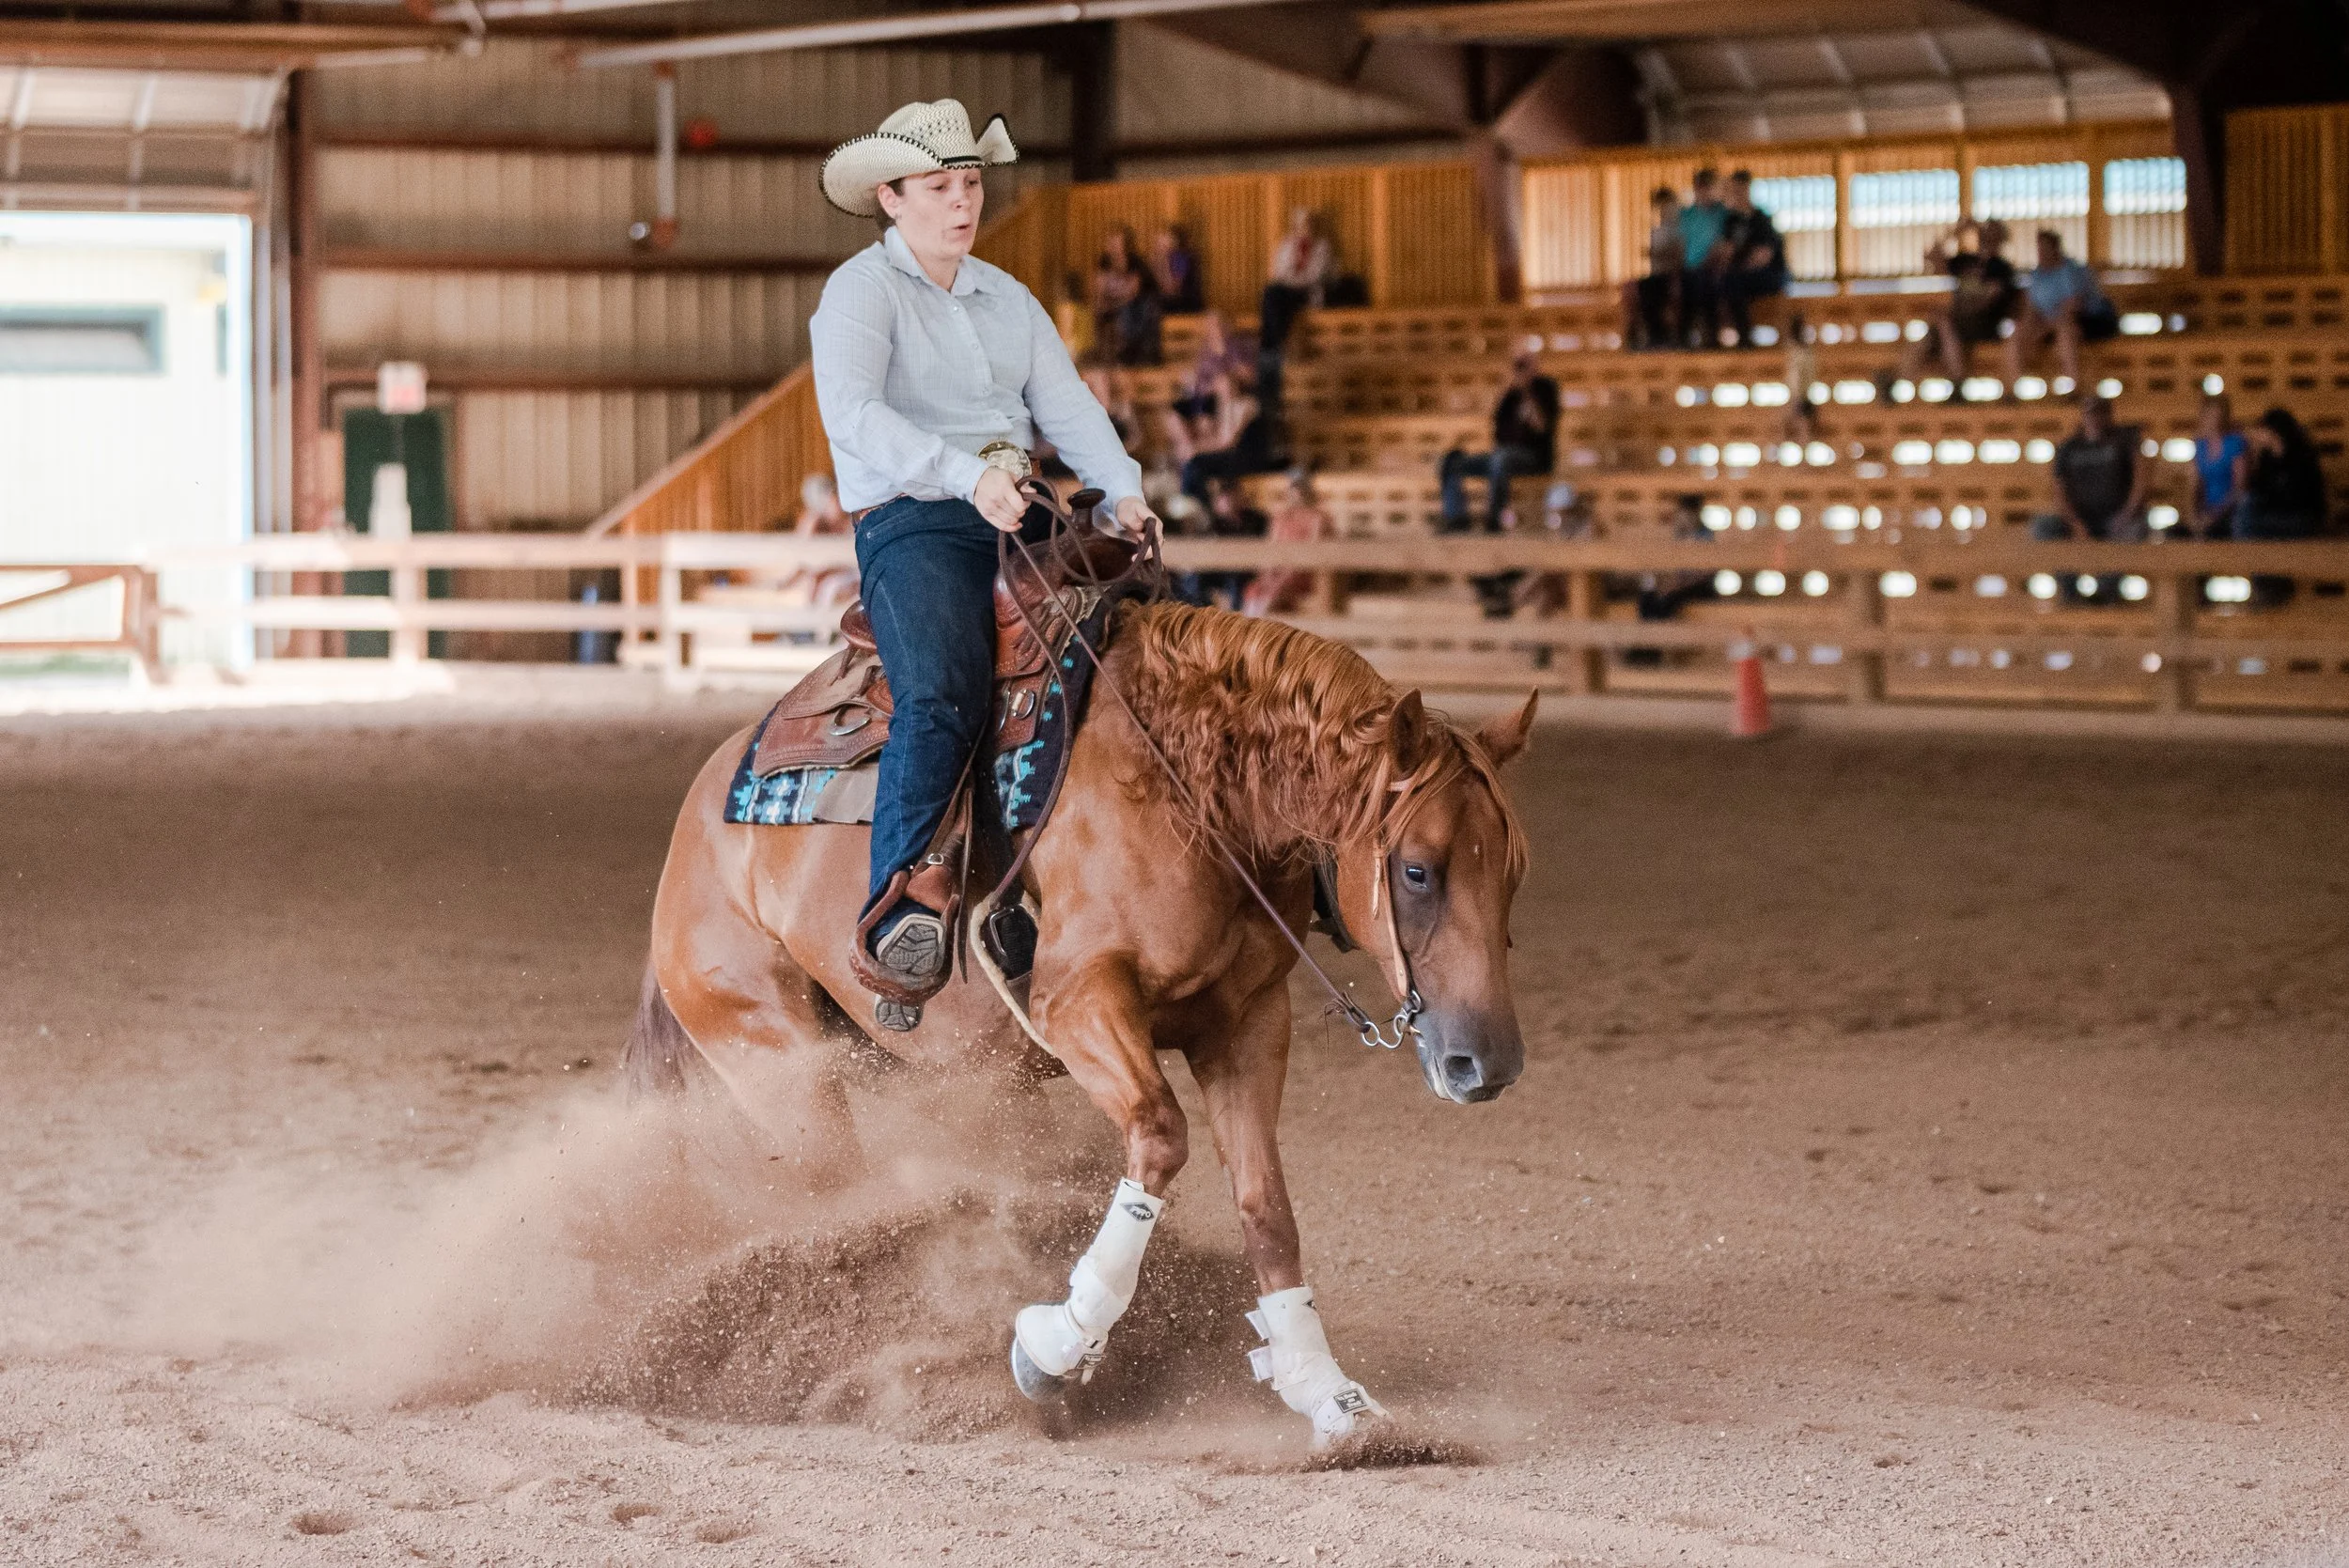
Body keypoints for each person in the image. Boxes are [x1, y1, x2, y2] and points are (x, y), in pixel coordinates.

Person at [810, 98, 1157, 1023]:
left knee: (1150, 642)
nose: (962, 201)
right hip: (914, 523)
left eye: (970, 183)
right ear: (891, 198)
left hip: (1022, 516)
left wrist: (1121, 486)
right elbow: (855, 418)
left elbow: (1068, 405)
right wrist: (964, 477)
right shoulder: (860, 293)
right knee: (946, 686)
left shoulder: (1009, 297)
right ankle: (897, 909)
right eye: (939, 186)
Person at [1438, 349, 1559, 534]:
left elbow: (1542, 426)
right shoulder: (1508, 392)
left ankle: (1494, 520)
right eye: (1518, 363)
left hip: (1535, 458)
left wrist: (1527, 391)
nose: (1520, 368)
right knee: (1452, 461)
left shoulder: (1546, 387)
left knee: (1500, 459)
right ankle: (1457, 519)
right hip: (1502, 456)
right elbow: (1492, 418)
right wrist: (1507, 387)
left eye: (1525, 363)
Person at [2033, 396, 2147, 588]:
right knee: (2043, 527)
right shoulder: (2069, 447)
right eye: (2090, 414)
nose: (2095, 419)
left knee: (2137, 530)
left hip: (2117, 518)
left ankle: (2108, 589)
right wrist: (2075, 523)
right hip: (2080, 519)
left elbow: (2141, 482)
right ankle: (2068, 589)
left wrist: (2126, 515)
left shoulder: (2124, 442)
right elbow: (2059, 492)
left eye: (2100, 413)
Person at [1897, 219, 2017, 389]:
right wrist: (1954, 232)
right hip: (1957, 325)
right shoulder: (1966, 261)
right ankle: (1897, 382)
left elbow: (1987, 301)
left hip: (1983, 326)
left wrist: (1957, 312)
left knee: (1944, 322)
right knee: (1925, 338)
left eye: (1992, 235)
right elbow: (1931, 257)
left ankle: (1957, 383)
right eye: (1984, 234)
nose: (1987, 238)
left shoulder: (2002, 268)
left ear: (2001, 239)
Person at [2007, 229, 2119, 385]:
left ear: (2056, 249)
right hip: (2050, 322)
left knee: (2066, 332)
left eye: (2045, 249)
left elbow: (2073, 307)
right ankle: (2013, 388)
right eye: (2039, 249)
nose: (2042, 253)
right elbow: (2032, 308)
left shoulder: (2072, 271)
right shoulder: (2037, 275)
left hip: (2090, 321)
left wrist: (2045, 329)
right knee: (2018, 333)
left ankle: (2075, 386)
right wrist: (2030, 328)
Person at [1241, 466, 1336, 616]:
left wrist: (1288, 569)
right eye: (1294, 487)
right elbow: (1272, 546)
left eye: (1300, 487)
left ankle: (1259, 628)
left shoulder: (1318, 518)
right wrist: (1268, 571)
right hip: (1279, 569)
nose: (1297, 492)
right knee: (1255, 588)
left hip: (1304, 571)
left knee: (1277, 588)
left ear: (1308, 491)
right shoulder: (1281, 517)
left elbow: (1315, 550)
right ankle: (1249, 630)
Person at [1716, 170, 1787, 349]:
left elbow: (1763, 256)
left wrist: (1739, 267)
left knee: (1734, 281)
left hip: (1769, 275)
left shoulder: (1761, 219)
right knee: (1717, 283)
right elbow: (1725, 251)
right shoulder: (1731, 221)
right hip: (1740, 276)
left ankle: (1745, 338)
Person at [2234, 407, 2328, 540]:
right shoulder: (2267, 458)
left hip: (2300, 517)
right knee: (2247, 506)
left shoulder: (2301, 457)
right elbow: (2257, 489)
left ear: (2274, 432)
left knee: (2246, 521)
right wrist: (2253, 456)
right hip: (2275, 514)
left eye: (2263, 430)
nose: (2259, 435)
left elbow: (2300, 497)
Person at [1259, 207, 1331, 361]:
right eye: (1301, 226)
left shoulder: (1321, 247)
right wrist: (1294, 263)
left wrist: (1293, 275)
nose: (1305, 230)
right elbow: (1278, 273)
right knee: (1270, 293)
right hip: (1287, 291)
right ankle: (1272, 345)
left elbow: (1314, 276)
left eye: (1307, 225)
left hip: (1307, 292)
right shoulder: (1286, 246)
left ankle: (1272, 346)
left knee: (1277, 297)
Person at [1622, 185, 1682, 350]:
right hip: (1658, 275)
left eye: (1666, 205)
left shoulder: (1681, 228)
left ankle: (1667, 336)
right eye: (1660, 206)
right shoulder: (1656, 230)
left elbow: (1678, 255)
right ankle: (1650, 337)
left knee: (1657, 289)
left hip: (1675, 275)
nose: (1663, 210)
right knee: (1643, 289)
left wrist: (1660, 254)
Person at [1091, 226, 1160, 366]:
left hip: (1139, 307)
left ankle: (1127, 354)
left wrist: (1113, 300)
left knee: (1126, 310)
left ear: (1125, 245)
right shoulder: (1104, 261)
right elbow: (1099, 288)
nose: (1112, 246)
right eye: (1110, 242)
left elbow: (1131, 293)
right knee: (1099, 309)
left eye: (1116, 242)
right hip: (1116, 304)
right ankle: (1104, 356)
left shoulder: (1136, 262)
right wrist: (1103, 303)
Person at [1675, 168, 1729, 348]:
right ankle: (1682, 339)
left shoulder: (1722, 213)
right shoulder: (1686, 214)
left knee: (1705, 284)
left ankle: (1711, 337)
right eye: (1700, 187)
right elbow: (1682, 245)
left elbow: (1725, 244)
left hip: (1714, 268)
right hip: (1690, 269)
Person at [2191, 393, 2248, 539]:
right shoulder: (2200, 445)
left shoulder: (2235, 443)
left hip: (2232, 510)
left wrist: (2216, 514)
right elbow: (2196, 484)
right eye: (2209, 414)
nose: (2213, 419)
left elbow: (2240, 486)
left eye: (2217, 414)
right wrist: (2196, 515)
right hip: (2207, 509)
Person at [1150, 225, 1204, 315]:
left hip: (1184, 305)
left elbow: (1171, 290)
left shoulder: (1181, 258)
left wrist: (1164, 259)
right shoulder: (1156, 258)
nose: (1157, 245)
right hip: (1167, 303)